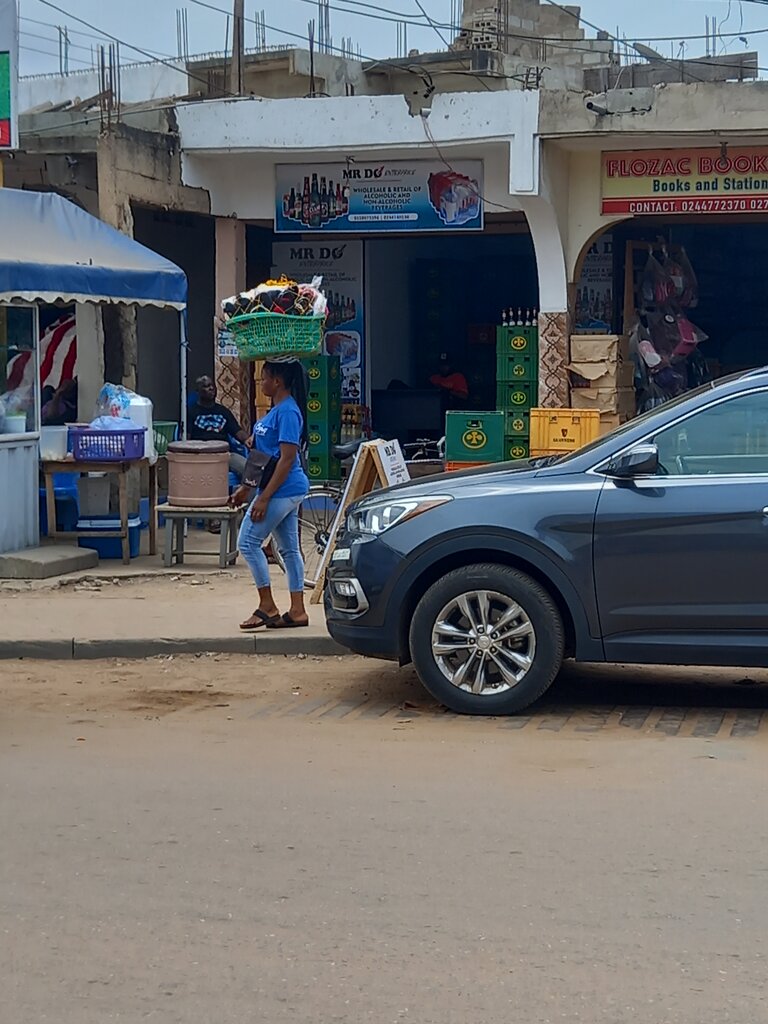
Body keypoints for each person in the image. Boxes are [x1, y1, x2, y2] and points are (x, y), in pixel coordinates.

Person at [231, 360, 310, 631]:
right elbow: (264, 458)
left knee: (248, 542)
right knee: (289, 550)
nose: (260, 383)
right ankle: (297, 610)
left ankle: (267, 606)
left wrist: (263, 498)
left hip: (284, 489)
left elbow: (287, 459)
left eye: (263, 379)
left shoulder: (288, 412)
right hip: (277, 488)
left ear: (276, 381)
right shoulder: (277, 411)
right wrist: (248, 487)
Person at [188, 375, 250, 478]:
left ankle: (245, 494)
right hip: (201, 456)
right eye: (206, 386)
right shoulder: (190, 412)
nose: (211, 388)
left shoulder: (223, 411)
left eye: (212, 385)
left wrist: (248, 440)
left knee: (249, 470)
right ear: (198, 391)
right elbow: (186, 438)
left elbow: (237, 431)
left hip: (224, 454)